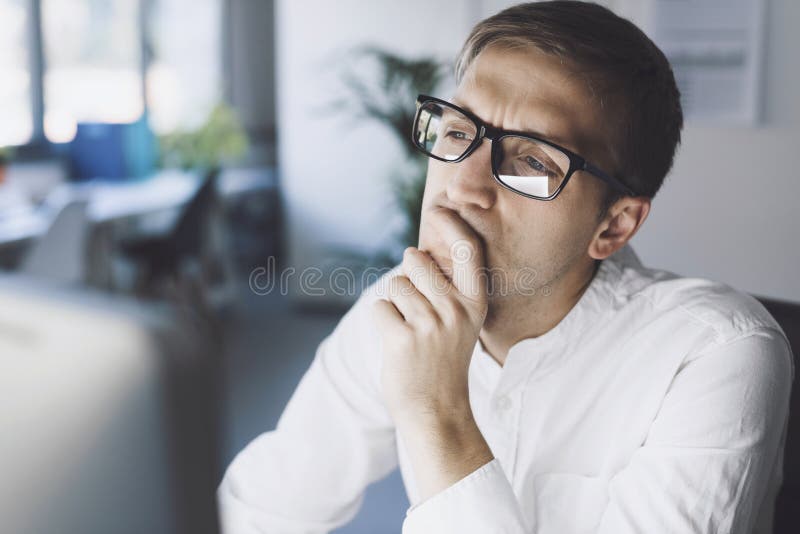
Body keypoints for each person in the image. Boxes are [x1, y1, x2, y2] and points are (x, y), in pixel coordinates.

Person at [217, 2, 794, 532]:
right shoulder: (401, 313)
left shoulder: (717, 353)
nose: (461, 185)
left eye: (532, 159)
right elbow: (263, 507)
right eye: (460, 132)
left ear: (613, 225)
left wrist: (436, 408)